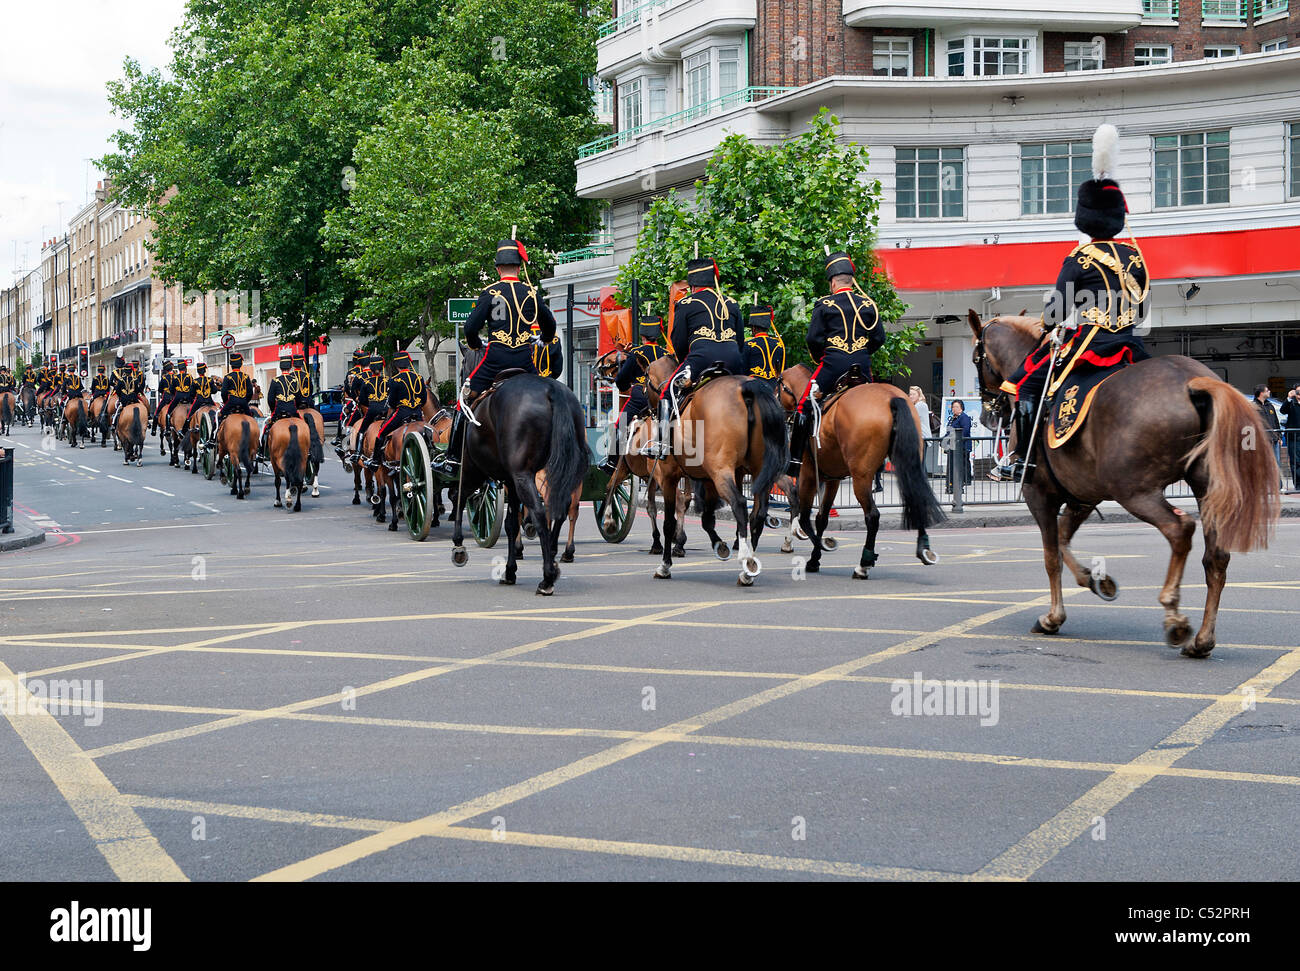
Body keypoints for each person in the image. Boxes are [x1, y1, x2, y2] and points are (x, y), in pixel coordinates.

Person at [1000, 124, 1149, 483]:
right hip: (1130, 342)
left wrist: (1052, 326)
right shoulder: (1136, 257)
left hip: (1091, 342)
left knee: (1025, 382)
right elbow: (1141, 304)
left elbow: (1056, 310)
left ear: (1086, 218)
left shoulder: (1082, 257)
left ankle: (1020, 456)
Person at [438, 237, 556, 474]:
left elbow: (471, 328)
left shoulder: (490, 292)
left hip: (495, 361)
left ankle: (453, 458)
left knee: (464, 401)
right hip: (525, 362)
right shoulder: (530, 292)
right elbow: (550, 325)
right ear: (519, 267)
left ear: (498, 268)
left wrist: (473, 345)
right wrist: (543, 339)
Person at [786, 251, 886, 478]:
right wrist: (861, 351)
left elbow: (813, 339)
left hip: (833, 364)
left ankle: (793, 461)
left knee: (803, 405)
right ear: (851, 280)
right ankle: (879, 463)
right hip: (862, 366)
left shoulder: (824, 304)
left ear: (832, 282)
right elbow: (879, 338)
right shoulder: (869, 304)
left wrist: (823, 355)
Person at [649, 256, 744, 458]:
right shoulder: (732, 304)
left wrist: (687, 361)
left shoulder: (686, 303)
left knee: (667, 392)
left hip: (701, 359)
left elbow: (679, 341)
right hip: (734, 359)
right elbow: (741, 340)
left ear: (692, 285)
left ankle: (662, 444)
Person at [598, 313, 666, 475]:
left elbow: (621, 379)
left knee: (620, 424)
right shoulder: (666, 353)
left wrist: (625, 385)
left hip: (641, 397)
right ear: (657, 335)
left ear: (642, 335)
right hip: (662, 398)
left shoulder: (637, 353)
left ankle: (612, 462)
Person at [371, 350, 427, 468]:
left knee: (381, 433)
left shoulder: (395, 380)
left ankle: (375, 461)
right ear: (407, 363)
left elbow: (392, 403)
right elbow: (424, 399)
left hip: (401, 413)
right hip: (417, 414)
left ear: (396, 366)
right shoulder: (419, 378)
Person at [352, 354, 388, 466]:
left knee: (362, 430)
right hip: (387, 411)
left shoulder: (366, 382)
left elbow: (362, 400)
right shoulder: (388, 380)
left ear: (371, 369)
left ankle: (357, 453)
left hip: (372, 411)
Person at [743, 303, 786, 385]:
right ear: (767, 328)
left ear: (753, 328)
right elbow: (784, 371)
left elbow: (742, 373)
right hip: (776, 389)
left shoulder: (747, 344)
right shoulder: (779, 344)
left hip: (754, 388)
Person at [1252, 384, 1283, 489]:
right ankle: (1262, 486)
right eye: (1267, 390)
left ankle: (1277, 486)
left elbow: (1275, 421)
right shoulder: (1253, 407)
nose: (1269, 392)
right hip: (1261, 441)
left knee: (1276, 464)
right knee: (1261, 464)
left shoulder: (1270, 405)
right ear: (1261, 393)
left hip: (1273, 440)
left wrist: (1279, 436)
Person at [944, 399, 973, 495]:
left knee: (960, 466)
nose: (954, 409)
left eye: (956, 407)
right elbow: (949, 431)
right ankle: (950, 485)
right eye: (953, 407)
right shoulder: (953, 418)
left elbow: (965, 431)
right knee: (952, 466)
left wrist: (952, 438)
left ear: (961, 408)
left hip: (961, 446)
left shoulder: (964, 418)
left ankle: (960, 484)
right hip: (953, 446)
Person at [218, 353, 254, 418]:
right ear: (240, 364)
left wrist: (226, 402)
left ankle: (215, 427)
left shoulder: (227, 377)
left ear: (231, 365)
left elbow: (224, 393)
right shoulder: (246, 376)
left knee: (219, 417)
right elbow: (250, 392)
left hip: (231, 402)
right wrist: (245, 401)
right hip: (244, 403)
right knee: (251, 418)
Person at [1281, 383, 1300, 494]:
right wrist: (1288, 398)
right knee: (1295, 462)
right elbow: (1283, 410)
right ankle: (1298, 485)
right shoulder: (1291, 403)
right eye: (1298, 392)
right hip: (1293, 438)